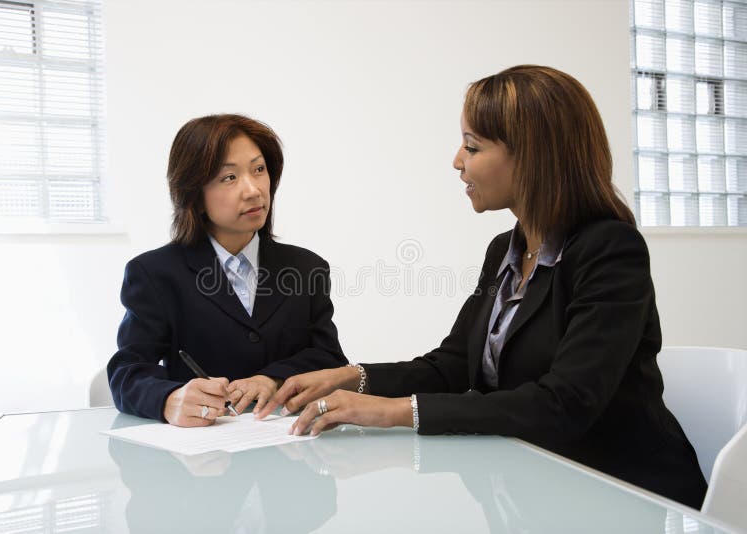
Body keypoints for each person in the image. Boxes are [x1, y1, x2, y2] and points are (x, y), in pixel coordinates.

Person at [258, 66, 708, 508]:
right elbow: (454, 366)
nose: (457, 161)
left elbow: (564, 404)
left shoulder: (609, 250)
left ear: (533, 156)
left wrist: (394, 412)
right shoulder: (504, 250)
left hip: (622, 493)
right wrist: (355, 377)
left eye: (472, 146)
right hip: (529, 482)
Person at [108, 114, 347, 427]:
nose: (253, 190)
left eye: (259, 170)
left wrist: (272, 379)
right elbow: (128, 372)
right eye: (229, 177)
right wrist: (169, 400)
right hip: (203, 459)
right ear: (193, 193)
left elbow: (330, 359)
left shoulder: (306, 267)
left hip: (292, 445)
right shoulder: (154, 273)